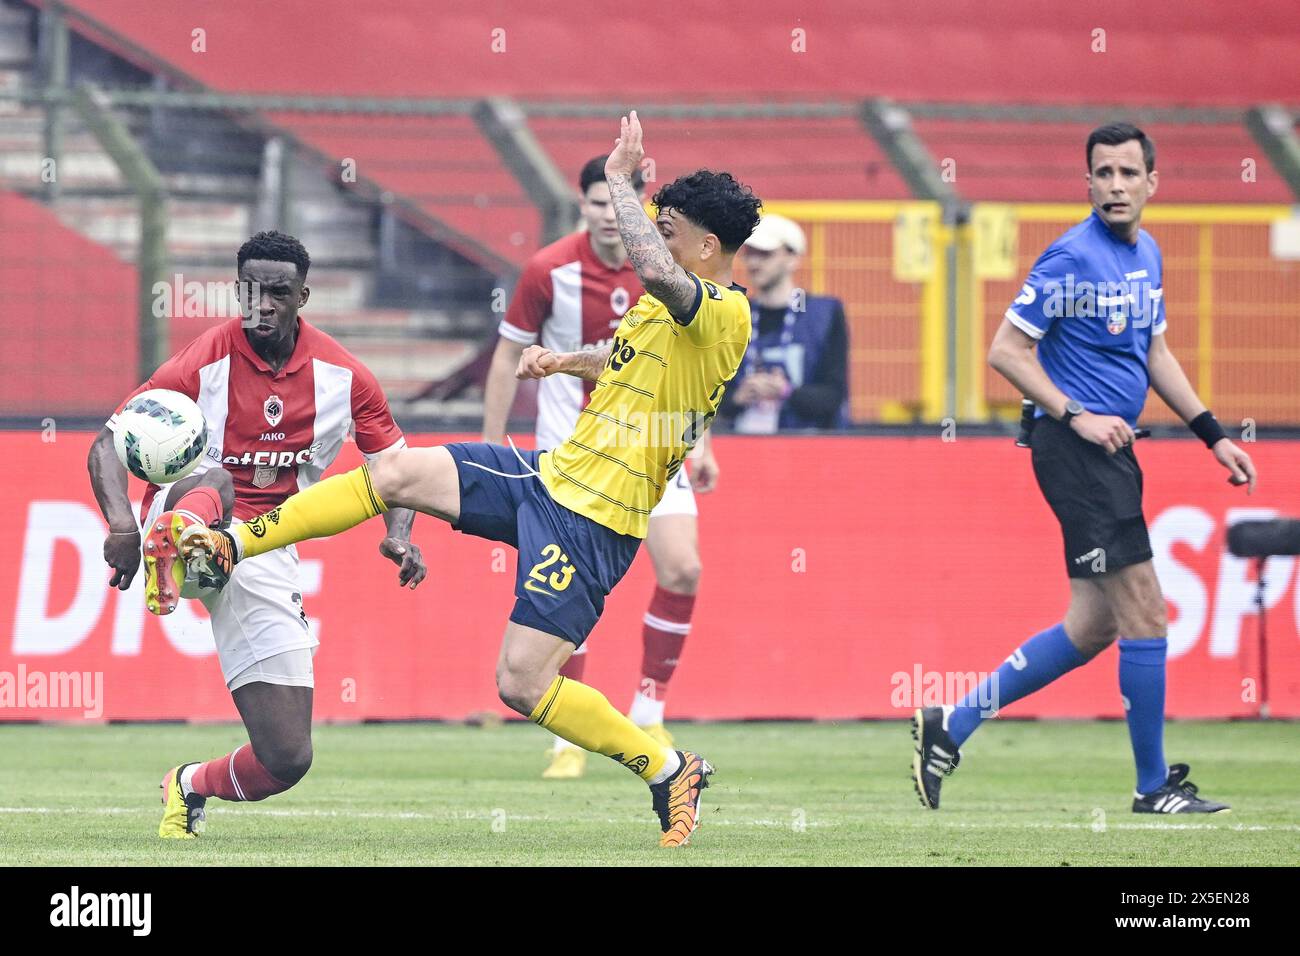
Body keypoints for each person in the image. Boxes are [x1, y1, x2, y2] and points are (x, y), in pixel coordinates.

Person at [155, 112, 762, 848]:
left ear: (707, 246)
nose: (652, 241)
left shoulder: (723, 313)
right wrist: (565, 361)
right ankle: (233, 544)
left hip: (596, 521)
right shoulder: (670, 312)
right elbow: (628, 361)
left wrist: (618, 181)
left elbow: (659, 273)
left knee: (520, 685)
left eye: (669, 230)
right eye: (654, 226)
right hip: (549, 475)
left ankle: (668, 769)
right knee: (398, 472)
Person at [912, 123, 1257, 814]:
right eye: (1104, 174)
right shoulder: (1071, 258)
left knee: (1094, 624)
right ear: (1088, 182)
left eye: (1129, 173)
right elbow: (1006, 351)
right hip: (1075, 452)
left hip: (1111, 453)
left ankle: (954, 722)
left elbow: (1155, 354)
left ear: (1152, 183)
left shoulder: (1146, 256)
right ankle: (1153, 787)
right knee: (1147, 610)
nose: (1116, 186)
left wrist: (1212, 433)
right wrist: (1076, 414)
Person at [88, 231, 426, 839]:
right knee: (214, 476)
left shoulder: (344, 377)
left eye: (277, 292)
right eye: (250, 290)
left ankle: (186, 785)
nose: (261, 304)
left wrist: (398, 535)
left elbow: (396, 467)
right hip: (185, 511)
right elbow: (110, 439)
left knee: (287, 757)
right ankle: (178, 543)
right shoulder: (201, 361)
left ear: (303, 295)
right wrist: (120, 524)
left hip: (265, 546)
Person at [482, 156, 719, 779]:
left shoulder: (668, 273)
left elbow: (695, 364)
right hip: (573, 450)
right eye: (596, 204)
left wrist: (703, 444)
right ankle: (568, 740)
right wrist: (491, 442)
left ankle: (649, 709)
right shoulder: (548, 270)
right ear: (581, 206)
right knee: (569, 586)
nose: (608, 217)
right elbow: (509, 354)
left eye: (618, 204)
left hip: (655, 445)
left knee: (684, 567)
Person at [719, 214, 848, 433]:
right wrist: (739, 397)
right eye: (749, 254)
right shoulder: (734, 313)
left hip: (809, 443)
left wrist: (786, 391)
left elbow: (835, 394)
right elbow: (710, 393)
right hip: (744, 443)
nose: (754, 263)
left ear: (793, 258)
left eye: (765, 254)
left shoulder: (824, 313)